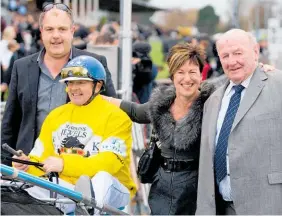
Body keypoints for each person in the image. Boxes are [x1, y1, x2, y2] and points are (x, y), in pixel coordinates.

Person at [12, 55, 136, 214]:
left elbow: (109, 163)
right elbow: (40, 159)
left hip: (111, 189)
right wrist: (26, 165)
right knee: (15, 184)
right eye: (70, 82)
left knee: (101, 178)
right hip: (67, 188)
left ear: (98, 86)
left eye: (81, 82)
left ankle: (86, 208)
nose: (74, 88)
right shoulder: (55, 115)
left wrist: (64, 164)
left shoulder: (117, 117)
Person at [104, 43, 216, 214]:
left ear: (201, 75)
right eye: (181, 72)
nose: (187, 79)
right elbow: (136, 111)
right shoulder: (162, 103)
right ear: (172, 76)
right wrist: (99, 97)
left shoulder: (212, 104)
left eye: (193, 72)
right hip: (162, 187)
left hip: (196, 189)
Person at [1, 3, 116, 162]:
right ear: (41, 32)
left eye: (62, 29)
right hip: (28, 167)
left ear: (72, 31)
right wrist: (5, 167)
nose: (56, 35)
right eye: (49, 29)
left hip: (77, 169)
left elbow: (113, 115)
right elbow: (10, 123)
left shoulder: (94, 63)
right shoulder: (21, 67)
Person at [196, 29, 282, 215]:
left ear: (255, 52)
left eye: (237, 53)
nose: (231, 61)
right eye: (225, 55)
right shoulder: (214, 99)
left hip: (268, 206)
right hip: (222, 208)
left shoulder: (278, 85)